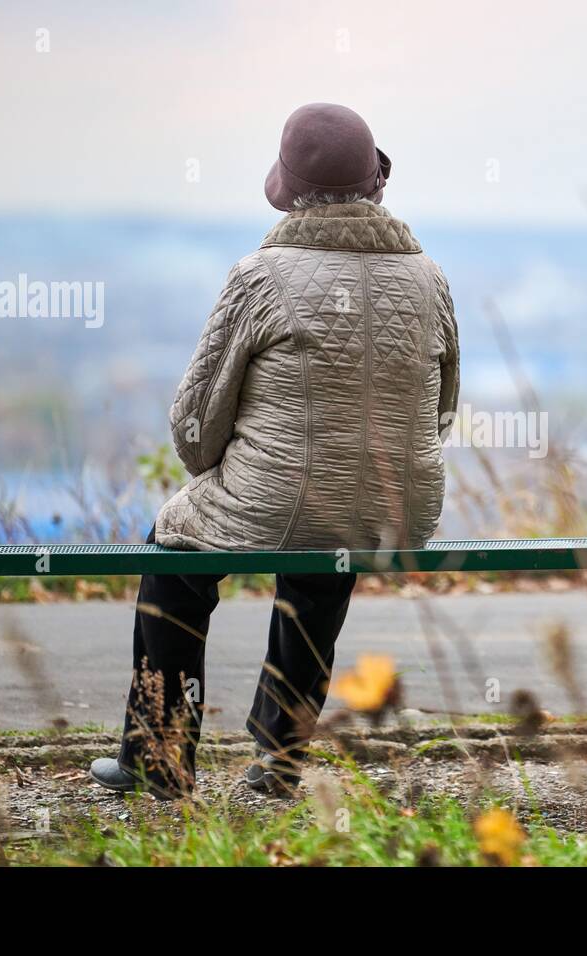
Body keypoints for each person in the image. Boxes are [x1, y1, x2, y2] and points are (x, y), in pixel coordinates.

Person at [90, 103, 460, 798]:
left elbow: (196, 425)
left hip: (280, 500)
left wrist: (227, 473)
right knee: (331, 546)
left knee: (172, 559)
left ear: (290, 192)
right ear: (374, 185)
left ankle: (160, 760)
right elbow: (440, 413)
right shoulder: (429, 277)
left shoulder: (261, 275)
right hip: (396, 506)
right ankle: (280, 761)